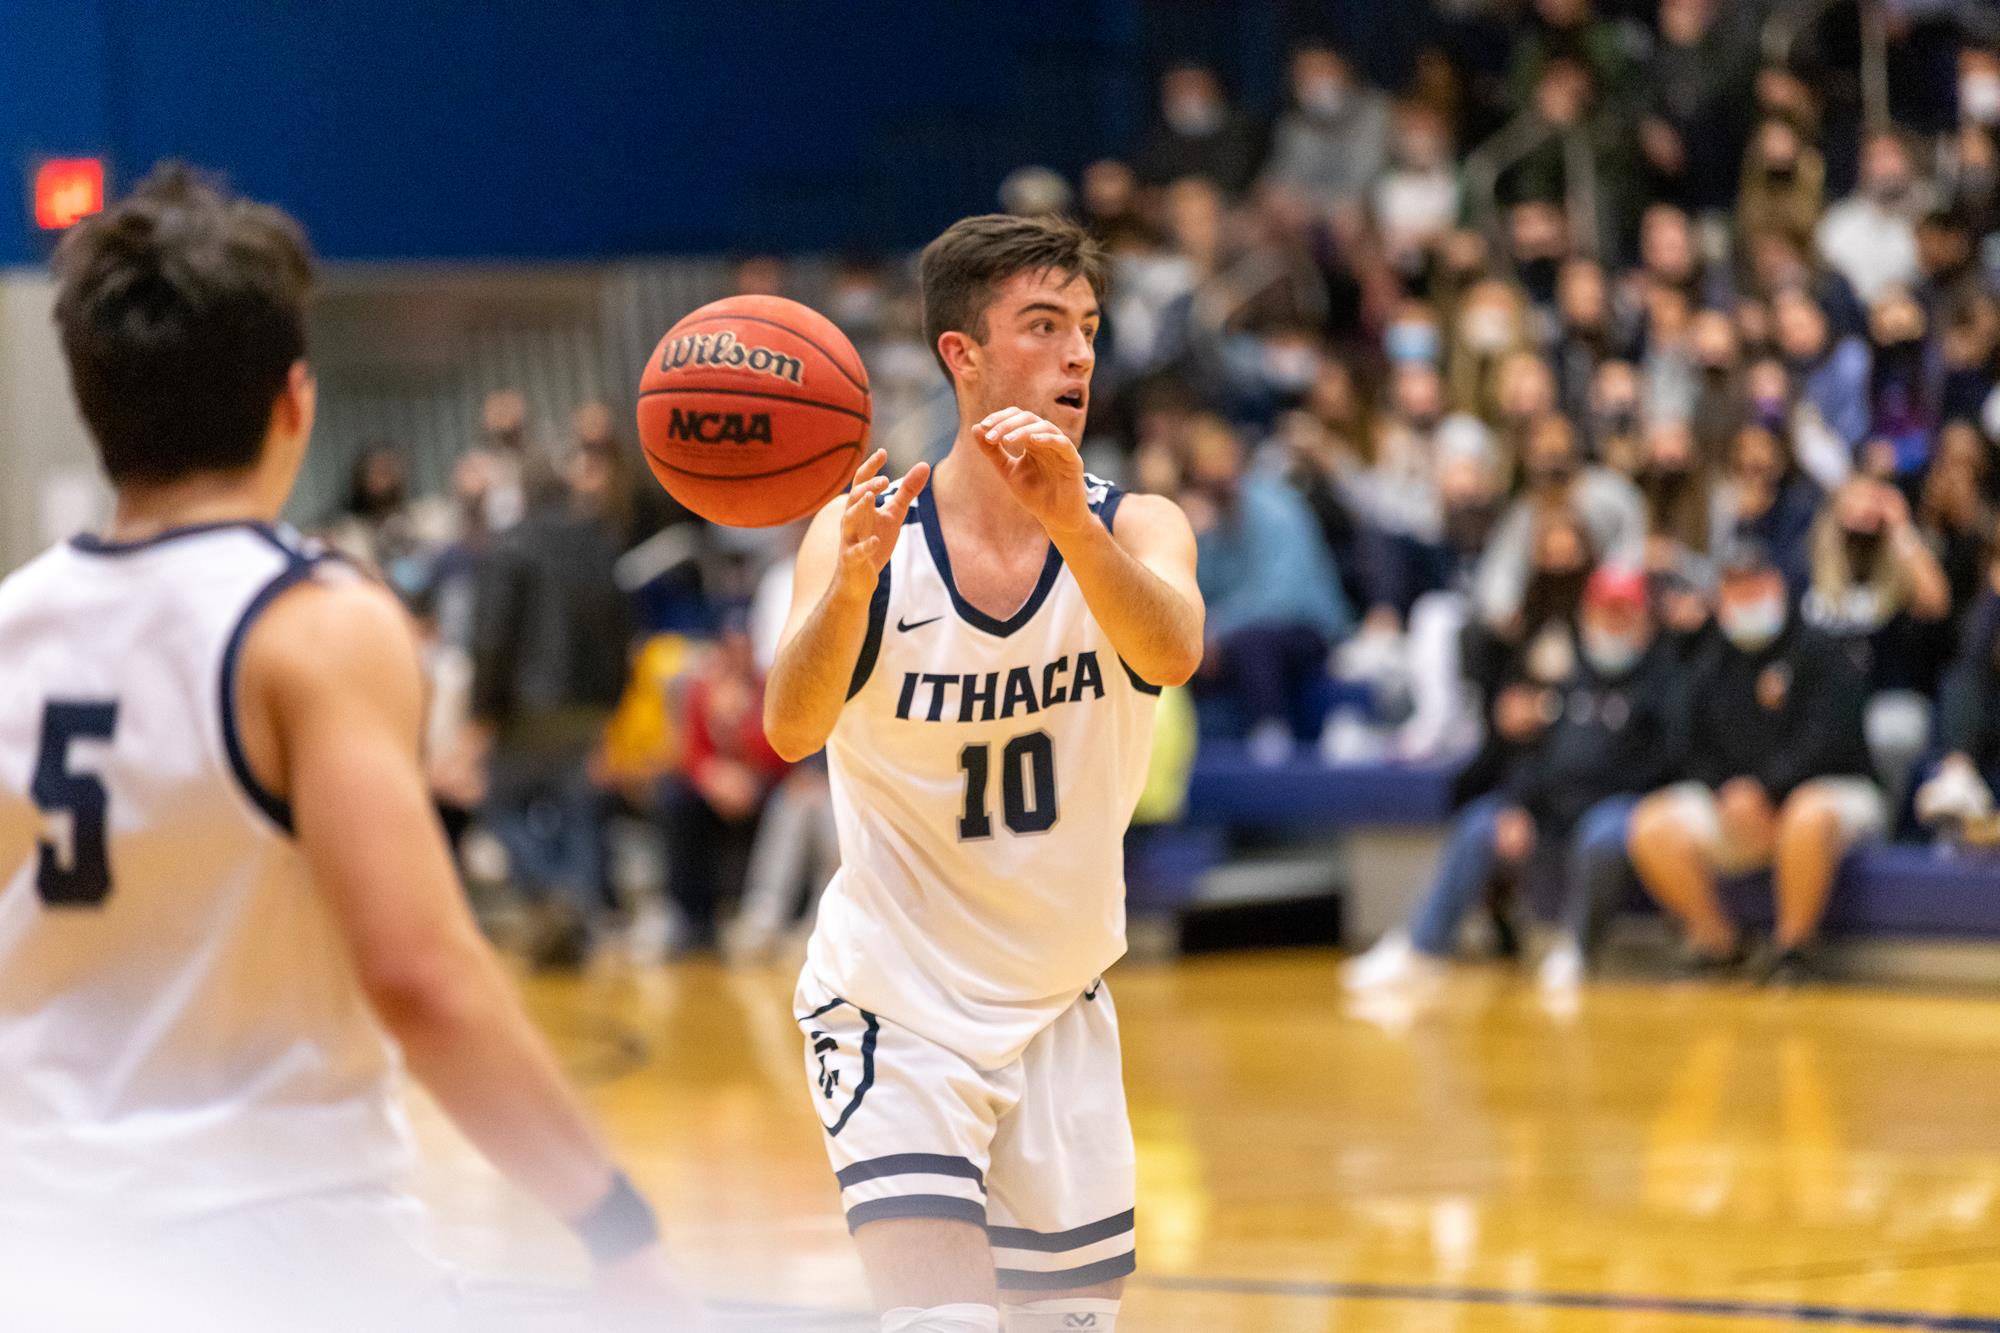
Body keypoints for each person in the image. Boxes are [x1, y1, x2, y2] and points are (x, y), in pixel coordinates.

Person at [0, 166, 698, 1329]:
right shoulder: (314, 623)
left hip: (39, 1245)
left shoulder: (11, 627)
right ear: (294, 401)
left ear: (94, 397)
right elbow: (421, 975)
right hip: (279, 1243)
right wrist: (614, 1222)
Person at [764, 213, 1204, 1333]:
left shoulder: (1137, 525)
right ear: (960, 355)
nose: (1077, 357)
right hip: (896, 1008)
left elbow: (1170, 649)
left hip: (1059, 1007)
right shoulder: (863, 535)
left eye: (1088, 330)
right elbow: (789, 727)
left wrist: (1072, 528)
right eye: (1043, 326)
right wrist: (849, 595)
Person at [1343, 565, 1686, 993]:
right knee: (1480, 822)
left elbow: (1666, 762)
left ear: (1645, 619)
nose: (1614, 624)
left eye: (1625, 613)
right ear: (1589, 615)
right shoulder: (1561, 678)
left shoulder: (1665, 682)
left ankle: (1575, 950)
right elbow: (1533, 755)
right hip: (1549, 811)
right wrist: (1519, 805)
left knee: (1604, 831)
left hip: (1621, 810)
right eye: (1606, 612)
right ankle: (1421, 948)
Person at [1625, 539, 1883, 985]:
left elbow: (1831, 740)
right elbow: (1687, 745)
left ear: (1776, 584)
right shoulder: (1709, 662)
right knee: (1651, 824)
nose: (1745, 599)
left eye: (1753, 585)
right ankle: (1719, 945)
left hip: (1833, 794)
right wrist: (1727, 791)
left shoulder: (1820, 650)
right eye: (1734, 589)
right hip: (1742, 805)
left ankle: (1793, 950)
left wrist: (1768, 788)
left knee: (1806, 813)